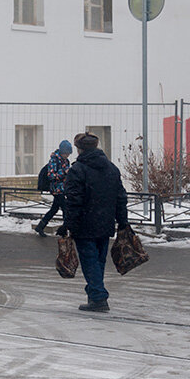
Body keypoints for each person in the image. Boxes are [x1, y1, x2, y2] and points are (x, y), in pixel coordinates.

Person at [59, 132, 129, 312]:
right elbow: (121, 197)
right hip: (105, 223)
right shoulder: (111, 168)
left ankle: (98, 297)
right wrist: (122, 221)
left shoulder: (78, 170)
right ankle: (94, 294)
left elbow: (73, 200)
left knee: (90, 261)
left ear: (79, 149)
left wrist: (68, 224)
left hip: (85, 223)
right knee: (98, 261)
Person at [34, 139, 72, 236]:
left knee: (54, 209)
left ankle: (40, 226)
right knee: (65, 209)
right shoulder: (54, 160)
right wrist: (64, 172)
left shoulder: (66, 161)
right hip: (56, 189)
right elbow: (51, 175)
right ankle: (65, 231)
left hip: (63, 189)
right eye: (66, 153)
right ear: (62, 151)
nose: (67, 155)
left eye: (69, 153)